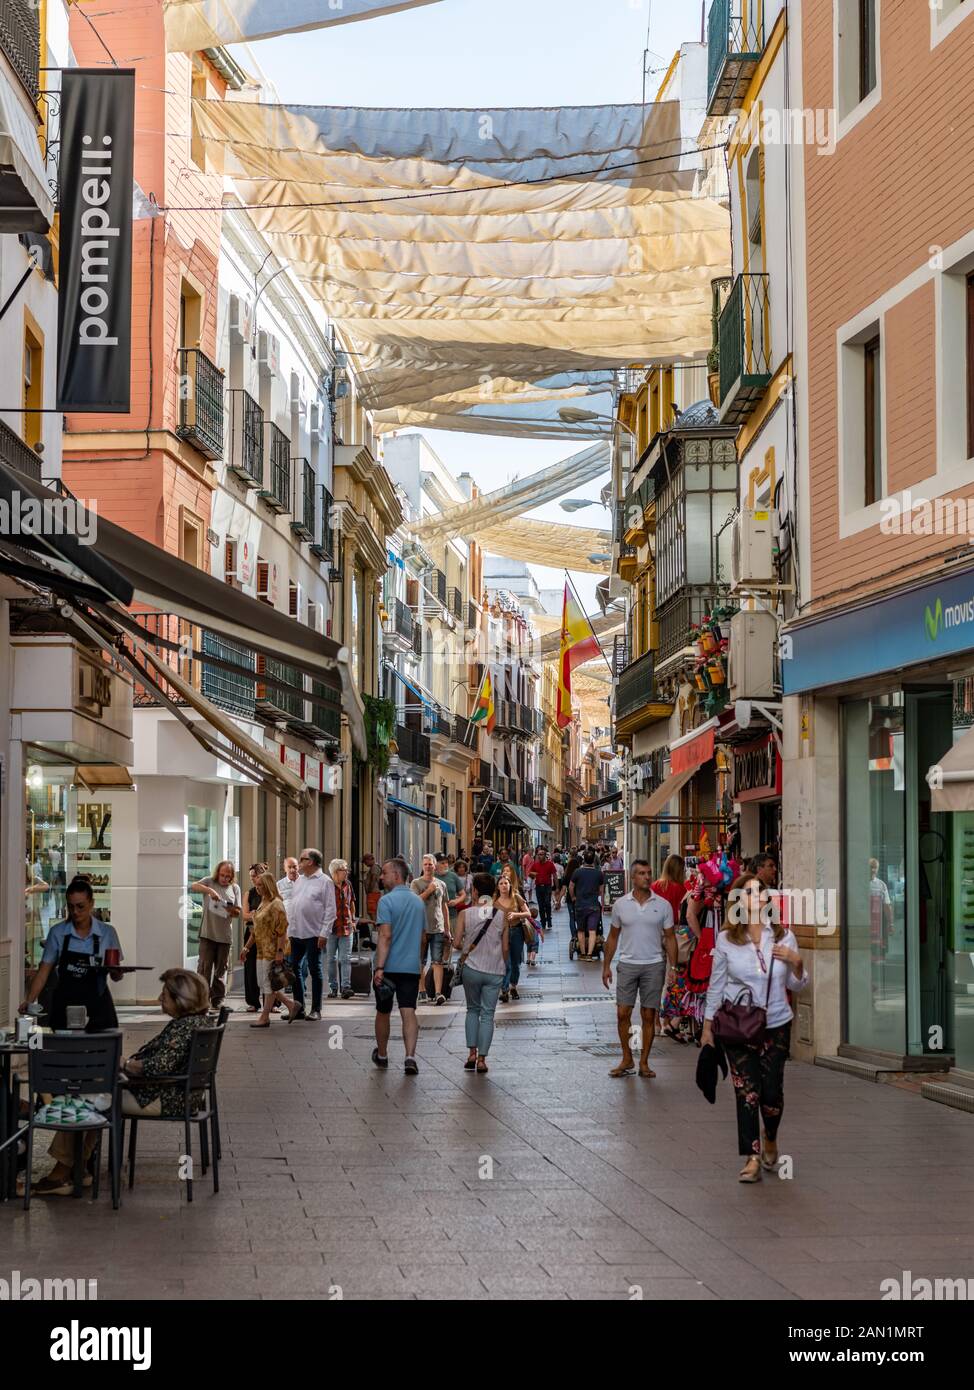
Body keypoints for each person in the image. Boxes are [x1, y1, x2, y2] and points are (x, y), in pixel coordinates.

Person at [30, 967, 213, 1197]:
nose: (159, 999)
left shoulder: (184, 1028)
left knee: (85, 1097)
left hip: (161, 1095)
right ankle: (76, 1167)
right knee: (95, 1092)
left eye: (164, 995)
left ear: (181, 999)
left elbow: (158, 1066)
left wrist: (124, 1064)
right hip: (175, 1093)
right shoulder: (196, 1023)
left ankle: (62, 1171)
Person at [702, 874, 807, 1183]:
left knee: (771, 1094)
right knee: (747, 1092)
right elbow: (716, 986)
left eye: (761, 890)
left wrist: (797, 961)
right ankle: (752, 1157)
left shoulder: (783, 936)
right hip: (739, 1027)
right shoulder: (726, 940)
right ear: (739, 901)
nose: (758, 895)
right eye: (749, 892)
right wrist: (708, 1028)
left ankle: (770, 1136)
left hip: (775, 1025)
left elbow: (797, 984)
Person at [601, 860, 678, 1078]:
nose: (647, 877)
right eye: (642, 873)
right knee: (622, 1012)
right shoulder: (620, 905)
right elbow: (613, 937)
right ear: (632, 878)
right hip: (627, 964)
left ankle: (644, 1062)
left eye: (649, 873)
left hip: (654, 964)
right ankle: (627, 1058)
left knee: (648, 1013)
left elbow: (670, 937)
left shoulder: (662, 905)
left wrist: (674, 967)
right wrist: (606, 965)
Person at [20, 878, 124, 1031]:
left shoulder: (107, 933)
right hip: (65, 1006)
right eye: (71, 907)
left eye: (80, 907)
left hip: (98, 1008)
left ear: (91, 903)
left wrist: (116, 972)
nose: (75, 912)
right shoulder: (58, 933)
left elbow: (116, 976)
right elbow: (43, 973)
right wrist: (28, 1001)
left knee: (101, 1051)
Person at [372, 858, 427, 1074]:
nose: (381, 877)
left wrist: (379, 968)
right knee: (408, 1010)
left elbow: (385, 936)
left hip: (388, 967)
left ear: (396, 875)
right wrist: (419, 960)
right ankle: (410, 1056)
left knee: (383, 1011)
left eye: (384, 873)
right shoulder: (417, 902)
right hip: (411, 967)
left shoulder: (385, 901)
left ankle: (383, 1054)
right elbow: (423, 938)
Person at [453, 872, 509, 1073]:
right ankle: (483, 1060)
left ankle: (471, 1054)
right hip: (494, 970)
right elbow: (505, 948)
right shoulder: (501, 916)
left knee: (472, 1010)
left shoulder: (464, 914)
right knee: (488, 1014)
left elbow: (457, 943)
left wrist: (467, 947)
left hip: (472, 969)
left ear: (474, 891)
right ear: (493, 891)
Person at [242, 872, 301, 1026]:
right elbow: (256, 930)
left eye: (260, 885)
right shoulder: (263, 902)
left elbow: (282, 930)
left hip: (272, 950)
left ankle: (265, 1017)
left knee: (267, 984)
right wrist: (247, 948)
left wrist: (279, 953)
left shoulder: (276, 904)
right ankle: (291, 1004)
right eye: (257, 884)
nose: (257, 887)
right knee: (264, 983)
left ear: (268, 886)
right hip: (260, 951)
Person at [288, 848, 336, 1020]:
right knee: (294, 969)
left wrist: (324, 933)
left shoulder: (325, 882)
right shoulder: (300, 880)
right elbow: (295, 904)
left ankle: (316, 1009)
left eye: (302, 859)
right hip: (296, 932)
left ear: (311, 862)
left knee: (315, 969)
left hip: (314, 933)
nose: (299, 862)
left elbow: (331, 910)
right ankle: (298, 1007)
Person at [653, 856, 695, 1043]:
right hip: (674, 935)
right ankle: (666, 1022)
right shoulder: (682, 889)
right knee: (671, 978)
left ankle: (655, 1023)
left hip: (654, 934)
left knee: (655, 980)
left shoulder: (655, 886)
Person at [190, 860, 242, 1010]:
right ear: (217, 873)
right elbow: (193, 886)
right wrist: (210, 891)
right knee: (204, 968)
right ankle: (201, 999)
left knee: (221, 969)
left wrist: (227, 907)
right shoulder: (209, 881)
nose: (224, 878)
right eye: (222, 875)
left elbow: (237, 912)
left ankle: (218, 999)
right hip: (207, 933)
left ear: (232, 876)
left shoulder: (235, 888)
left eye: (227, 876)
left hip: (224, 935)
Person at [411, 854, 449, 1004]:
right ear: (422, 866)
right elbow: (414, 902)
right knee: (420, 961)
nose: (428, 867)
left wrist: (447, 928)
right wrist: (429, 890)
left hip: (438, 927)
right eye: (425, 864)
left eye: (430, 864)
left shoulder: (441, 884)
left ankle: (438, 992)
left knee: (437, 961)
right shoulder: (416, 883)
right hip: (421, 928)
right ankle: (422, 990)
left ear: (435, 866)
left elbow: (444, 906)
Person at [496, 868, 533, 1003]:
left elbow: (528, 913)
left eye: (506, 883)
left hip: (516, 931)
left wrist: (516, 914)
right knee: (506, 963)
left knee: (516, 962)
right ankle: (504, 990)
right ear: (498, 887)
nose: (504, 886)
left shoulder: (516, 897)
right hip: (501, 934)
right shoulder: (495, 901)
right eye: (501, 884)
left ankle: (513, 986)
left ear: (510, 885)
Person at [326, 858, 357, 999]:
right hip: (331, 928)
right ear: (335, 871)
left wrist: (353, 920)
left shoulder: (348, 884)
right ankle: (333, 987)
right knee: (331, 959)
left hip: (346, 927)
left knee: (346, 958)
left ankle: (346, 987)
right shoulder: (326, 885)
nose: (347, 872)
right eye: (344, 869)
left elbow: (351, 903)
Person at [242, 863, 268, 1012]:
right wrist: (255, 915)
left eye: (255, 876)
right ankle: (253, 1002)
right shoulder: (249, 893)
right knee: (250, 967)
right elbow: (245, 916)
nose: (253, 879)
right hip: (251, 932)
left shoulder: (270, 893)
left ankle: (271, 1003)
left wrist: (254, 914)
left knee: (268, 968)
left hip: (266, 935)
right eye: (251, 876)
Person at [569, 849, 605, 960]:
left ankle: (583, 954)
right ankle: (590, 954)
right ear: (594, 860)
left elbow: (571, 886)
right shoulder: (599, 873)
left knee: (580, 930)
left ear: (584, 860)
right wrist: (602, 903)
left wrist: (573, 897)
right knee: (592, 930)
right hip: (593, 905)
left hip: (580, 905)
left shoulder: (577, 872)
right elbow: (601, 891)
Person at [435, 851, 468, 941]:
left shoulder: (453, 876)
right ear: (435, 864)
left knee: (452, 945)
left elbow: (463, 894)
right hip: (435, 918)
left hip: (452, 916)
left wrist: (456, 901)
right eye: (442, 863)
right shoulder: (431, 876)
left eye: (446, 862)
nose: (446, 865)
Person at [529, 846, 557, 937]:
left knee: (547, 903)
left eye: (541, 855)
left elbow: (554, 875)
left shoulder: (550, 864)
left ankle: (549, 920)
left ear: (545, 855)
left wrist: (557, 887)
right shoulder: (535, 864)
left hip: (547, 886)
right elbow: (530, 874)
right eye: (538, 855)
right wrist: (533, 874)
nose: (539, 856)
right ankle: (543, 922)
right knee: (541, 905)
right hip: (538, 887)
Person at [564, 847, 582, 942]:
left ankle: (574, 935)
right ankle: (580, 934)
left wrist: (558, 901)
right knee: (579, 917)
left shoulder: (567, 875)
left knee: (571, 917)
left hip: (570, 899)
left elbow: (565, 888)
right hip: (579, 898)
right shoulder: (579, 874)